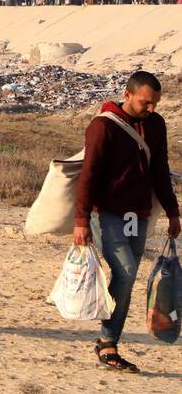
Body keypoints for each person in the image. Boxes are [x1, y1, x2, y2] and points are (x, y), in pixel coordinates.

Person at [74, 71, 181, 373]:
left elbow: (159, 170)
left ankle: (107, 340)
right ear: (128, 94)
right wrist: (81, 220)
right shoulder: (102, 126)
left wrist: (173, 211)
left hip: (138, 214)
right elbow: (89, 175)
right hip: (106, 211)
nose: (151, 109)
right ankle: (108, 343)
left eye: (155, 104)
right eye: (146, 103)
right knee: (126, 271)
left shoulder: (156, 124)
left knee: (127, 278)